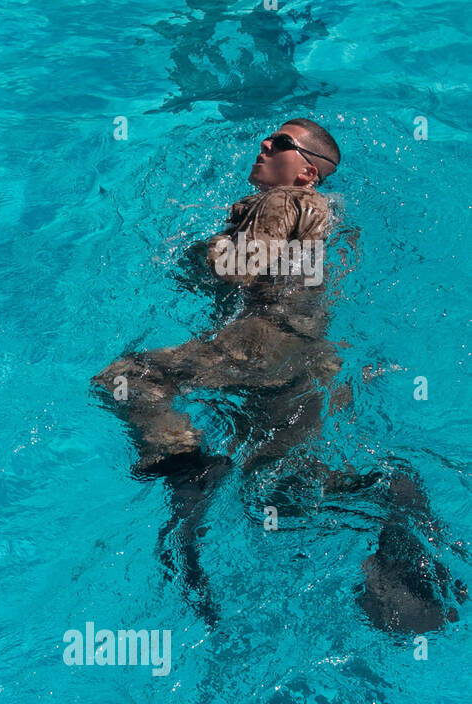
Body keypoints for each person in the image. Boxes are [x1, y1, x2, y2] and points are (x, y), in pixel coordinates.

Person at [93, 119, 465, 631]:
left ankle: (186, 464)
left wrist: (197, 253)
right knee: (285, 493)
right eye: (267, 138)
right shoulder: (328, 216)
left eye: (281, 143)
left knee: (127, 376)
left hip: (265, 344)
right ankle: (389, 494)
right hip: (308, 354)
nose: (264, 145)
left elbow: (240, 268)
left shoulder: (279, 202)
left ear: (307, 172)